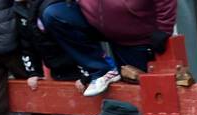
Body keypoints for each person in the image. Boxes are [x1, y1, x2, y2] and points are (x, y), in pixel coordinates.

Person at [39, 0, 175, 96]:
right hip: (94, 22)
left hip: (133, 36)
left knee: (142, 98)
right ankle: (101, 69)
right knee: (54, 13)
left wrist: (163, 29)